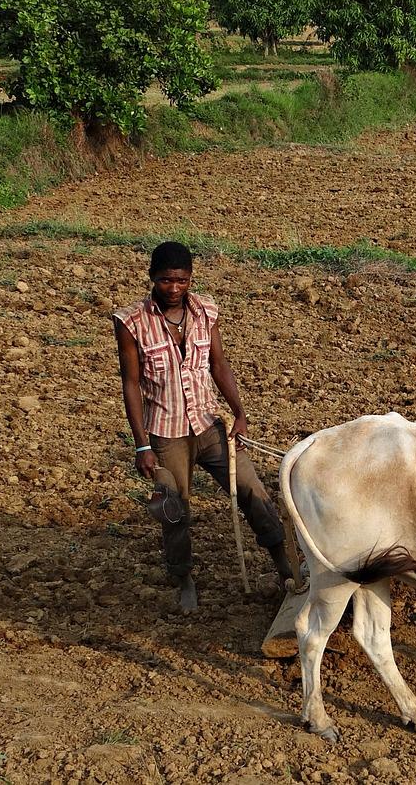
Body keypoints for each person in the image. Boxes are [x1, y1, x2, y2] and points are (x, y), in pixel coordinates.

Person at [112, 241, 294, 614]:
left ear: (191, 278)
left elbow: (218, 364)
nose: (174, 288)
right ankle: (184, 580)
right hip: (166, 433)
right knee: (174, 510)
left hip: (210, 424)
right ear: (152, 277)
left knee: (252, 490)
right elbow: (130, 384)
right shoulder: (131, 322)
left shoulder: (206, 312)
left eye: (181, 280)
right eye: (166, 280)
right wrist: (142, 445)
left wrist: (239, 412)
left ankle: (285, 568)